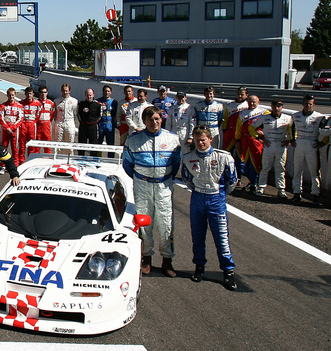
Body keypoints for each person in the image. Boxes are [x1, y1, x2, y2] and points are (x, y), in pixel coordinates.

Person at [122, 106, 182, 277]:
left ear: (161, 119)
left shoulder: (172, 139)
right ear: (144, 121)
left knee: (166, 223)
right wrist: (142, 177)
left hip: (164, 185)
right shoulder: (133, 140)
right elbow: (127, 165)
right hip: (143, 185)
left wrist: (164, 177)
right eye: (150, 120)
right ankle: (146, 257)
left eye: (157, 119)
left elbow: (176, 163)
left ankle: (167, 260)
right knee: (143, 222)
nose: (154, 122)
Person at [180, 126, 239, 290]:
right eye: (197, 140)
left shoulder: (224, 157)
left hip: (216, 198)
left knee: (221, 237)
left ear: (210, 139)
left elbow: (232, 180)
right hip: (197, 197)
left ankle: (228, 271)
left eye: (203, 140)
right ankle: (199, 267)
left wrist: (219, 193)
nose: (200, 143)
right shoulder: (188, 157)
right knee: (197, 235)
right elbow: (186, 179)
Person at [289, 94, 324, 205]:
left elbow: (325, 131)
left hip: (312, 144)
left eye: (310, 104)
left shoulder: (319, 117)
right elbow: (290, 129)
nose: (308, 106)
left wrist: (322, 143)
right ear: (303, 104)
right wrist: (292, 140)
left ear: (314, 105)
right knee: (297, 170)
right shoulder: (296, 116)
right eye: (306, 104)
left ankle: (316, 195)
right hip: (299, 143)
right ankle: (297, 193)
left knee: (314, 171)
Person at [257, 98, 293, 198]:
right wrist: (260, 138)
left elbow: (293, 131)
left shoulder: (288, 118)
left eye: (279, 106)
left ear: (282, 107)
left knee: (280, 168)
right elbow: (252, 127)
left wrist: (289, 140)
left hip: (281, 146)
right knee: (265, 167)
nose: (276, 108)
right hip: (269, 145)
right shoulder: (264, 118)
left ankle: (281, 189)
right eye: (274, 106)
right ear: (271, 107)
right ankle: (261, 187)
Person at [235, 94, 270, 193]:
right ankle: (251, 182)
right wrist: (238, 141)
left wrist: (263, 134)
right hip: (245, 140)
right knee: (246, 163)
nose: (252, 104)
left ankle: (255, 183)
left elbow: (270, 124)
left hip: (256, 141)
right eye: (250, 101)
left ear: (258, 102)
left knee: (256, 162)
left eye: (254, 102)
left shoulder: (264, 113)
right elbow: (238, 129)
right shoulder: (242, 113)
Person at [221, 86, 250, 166]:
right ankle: (225, 169)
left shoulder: (248, 105)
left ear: (246, 95)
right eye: (238, 94)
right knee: (226, 152)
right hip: (230, 132)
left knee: (240, 154)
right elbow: (225, 118)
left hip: (241, 133)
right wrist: (225, 130)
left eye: (242, 94)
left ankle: (239, 172)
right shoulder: (230, 105)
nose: (240, 96)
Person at [0, 87, 24, 166]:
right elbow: (1, 118)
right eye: (10, 95)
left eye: (12, 95)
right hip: (5, 130)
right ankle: (3, 165)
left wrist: (13, 128)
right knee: (4, 148)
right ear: (7, 95)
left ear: (15, 95)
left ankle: (15, 164)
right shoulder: (3, 105)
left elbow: (21, 119)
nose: (11, 97)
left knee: (15, 148)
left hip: (14, 130)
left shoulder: (19, 106)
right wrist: (7, 128)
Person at [19, 87, 42, 157]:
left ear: (33, 94)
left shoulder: (37, 103)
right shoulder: (21, 103)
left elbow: (39, 114)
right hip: (23, 125)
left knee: (31, 145)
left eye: (30, 94)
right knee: (22, 145)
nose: (29, 95)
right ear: (25, 94)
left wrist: (34, 122)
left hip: (32, 125)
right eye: (27, 94)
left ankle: (30, 159)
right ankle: (21, 161)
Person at [98, 85, 117, 150]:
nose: (106, 93)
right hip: (100, 124)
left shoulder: (114, 102)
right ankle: (98, 156)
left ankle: (111, 156)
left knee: (110, 144)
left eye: (108, 91)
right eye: (105, 91)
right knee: (98, 143)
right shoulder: (98, 101)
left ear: (111, 92)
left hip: (110, 124)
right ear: (102, 92)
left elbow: (116, 114)